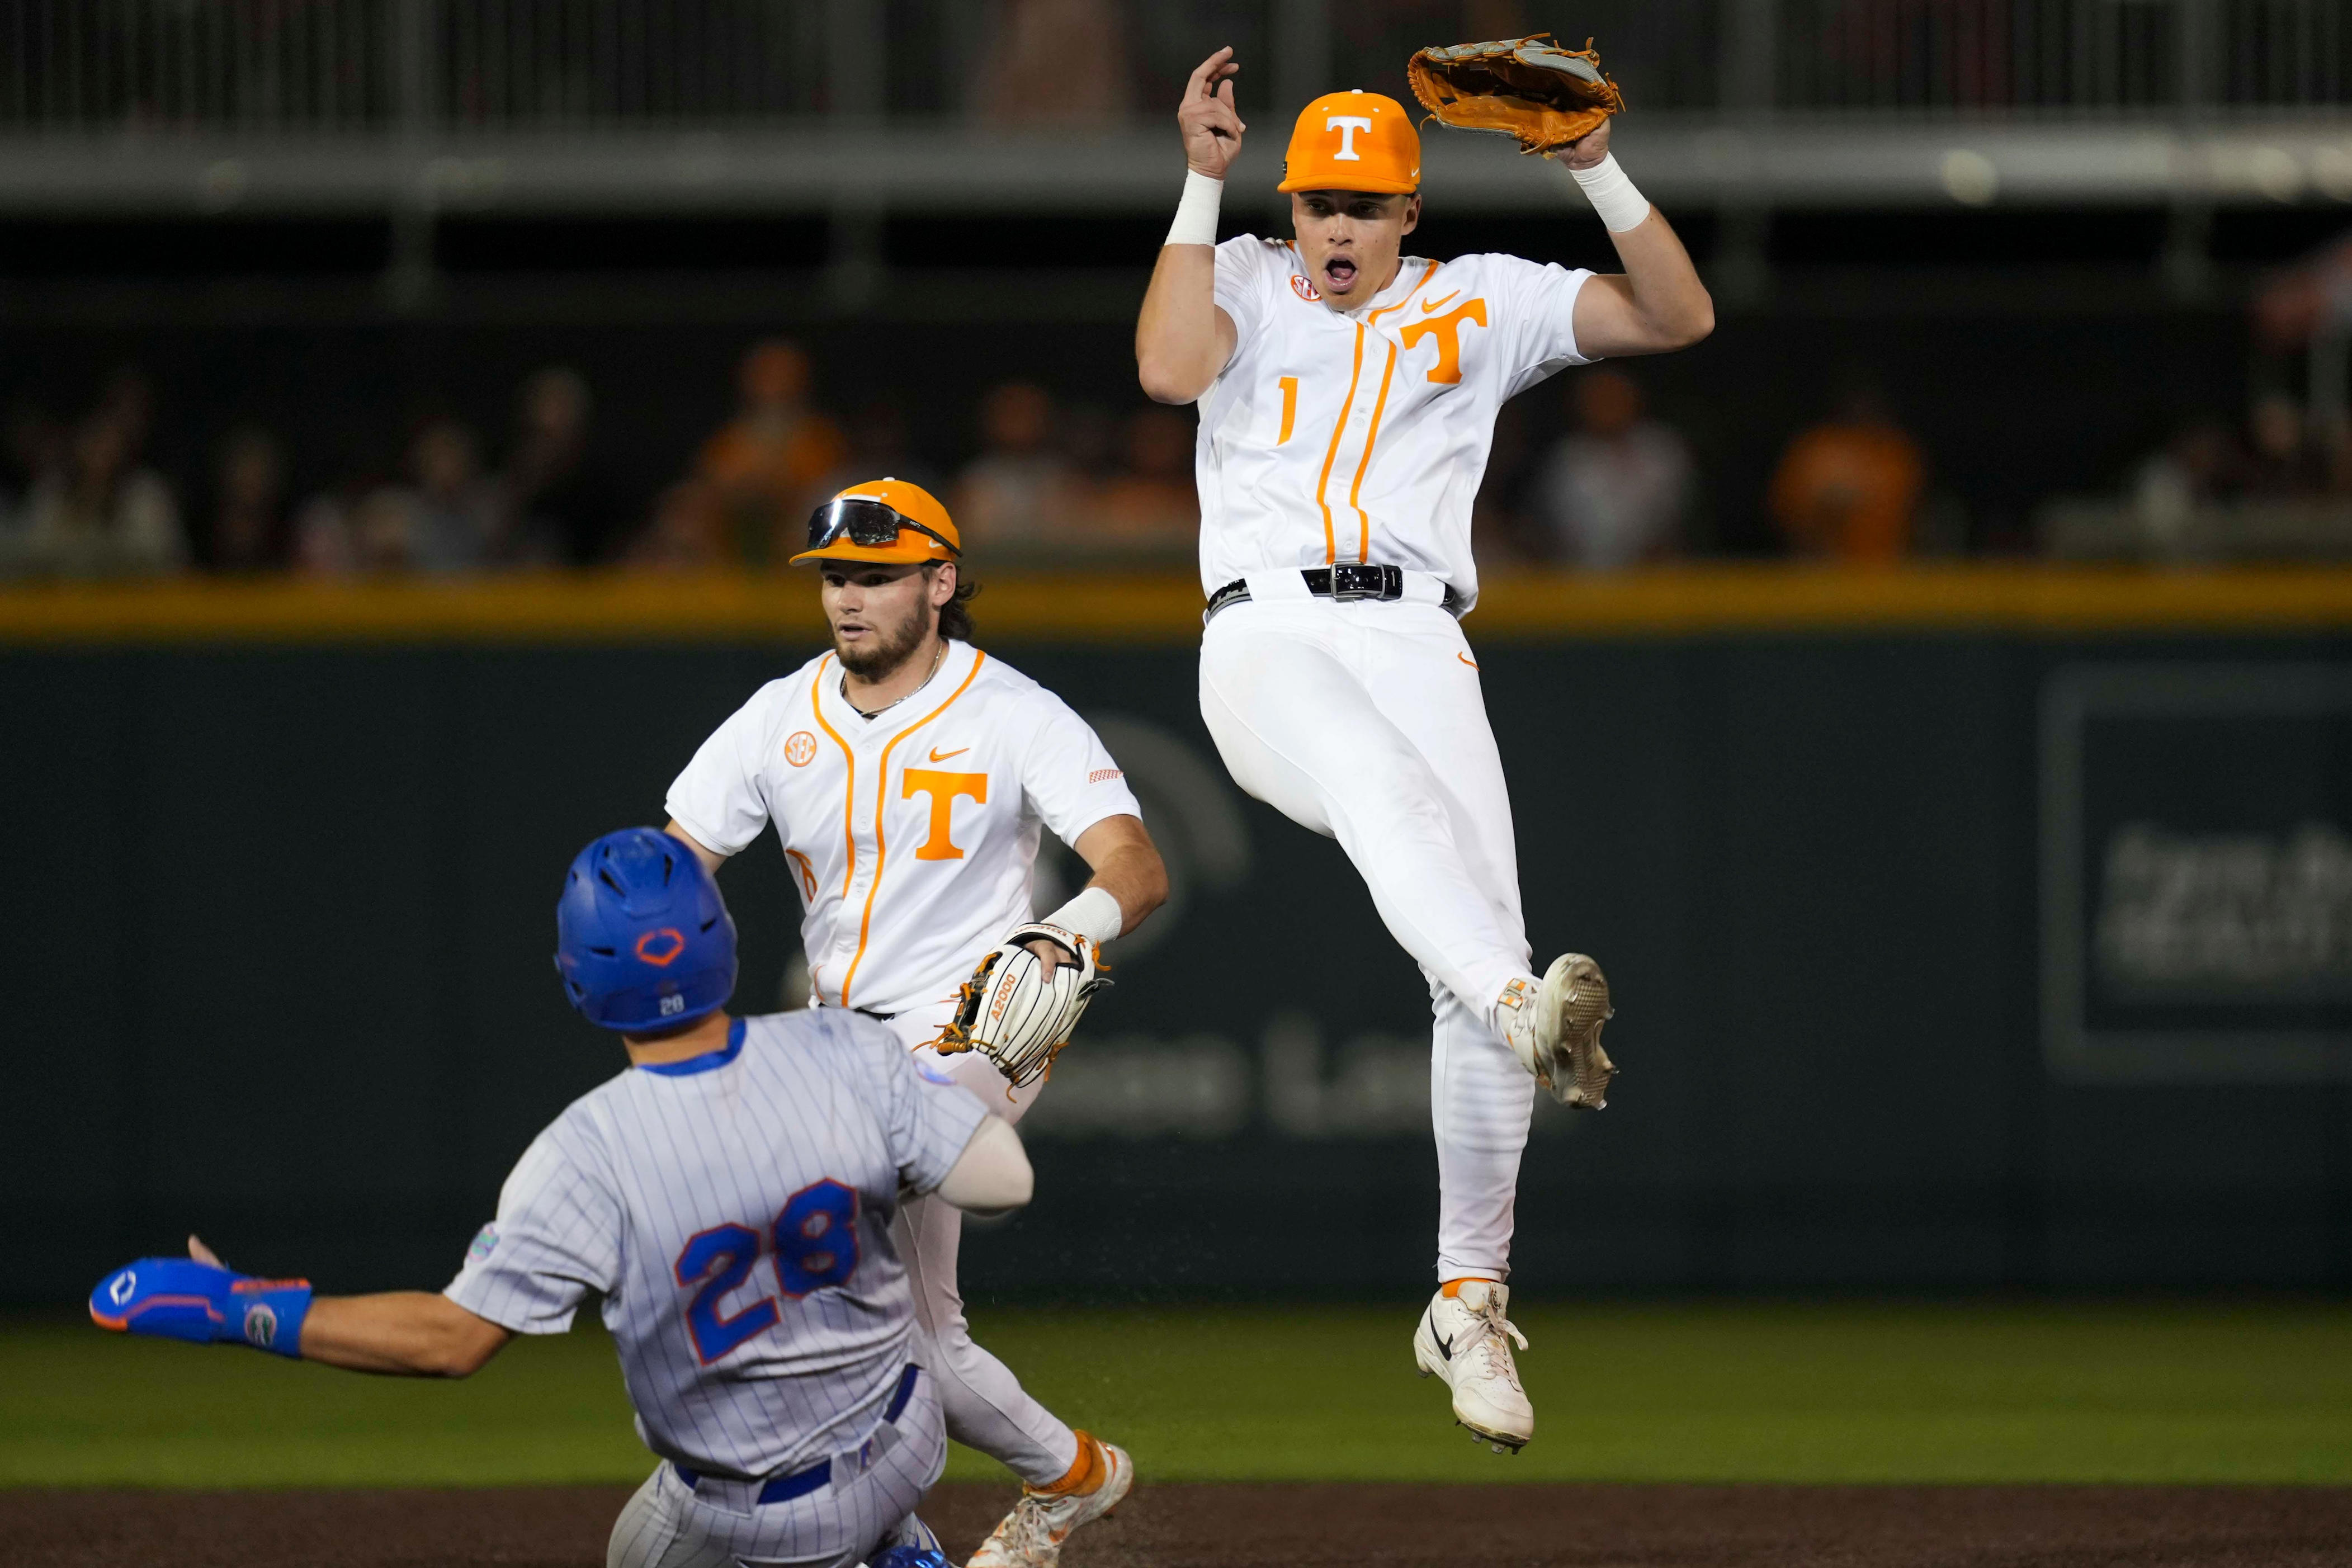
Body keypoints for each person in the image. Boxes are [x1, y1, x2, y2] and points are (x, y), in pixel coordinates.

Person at [1133, 48, 1715, 1454]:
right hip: (1264, 637)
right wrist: (1201, 184)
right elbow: (1163, 371)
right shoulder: (1242, 272)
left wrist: (1591, 164)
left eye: (1362, 203)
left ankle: (1465, 1299)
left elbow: (1676, 316)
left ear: (1409, 217)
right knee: (1413, 837)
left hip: (1420, 636)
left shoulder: (1483, 297)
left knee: (1468, 964)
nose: (1333, 225)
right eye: (1316, 197)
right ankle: (1523, 997)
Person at [88, 826, 1018, 1568]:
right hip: (908, 1442)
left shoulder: (585, 1150)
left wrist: (235, 1306)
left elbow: (451, 1342)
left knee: (640, 1547)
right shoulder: (847, 1049)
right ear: (724, 941)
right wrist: (961, 1082)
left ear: (578, 976)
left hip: (758, 1519)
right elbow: (997, 1180)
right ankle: (896, 1546)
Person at [661, 478, 1168, 1568]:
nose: (850, 599)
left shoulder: (1012, 710)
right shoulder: (778, 715)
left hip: (980, 1023)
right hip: (839, 1036)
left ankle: (876, 1518)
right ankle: (1069, 1477)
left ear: (939, 582)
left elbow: (1136, 864)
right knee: (922, 1343)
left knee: (822, 1263)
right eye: (837, 576)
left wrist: (1062, 931)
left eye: (878, 577)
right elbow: (672, 862)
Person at [696, 339, 848, 565]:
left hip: (799, 532)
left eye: (785, 374)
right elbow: (717, 485)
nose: (776, 383)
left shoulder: (821, 437)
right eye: (766, 373)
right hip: (732, 533)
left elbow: (825, 490)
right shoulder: (732, 438)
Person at [1529, 369, 1694, 568]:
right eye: (1598, 399)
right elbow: (1551, 529)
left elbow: (1677, 519)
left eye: (1615, 397)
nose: (1608, 406)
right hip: (1582, 578)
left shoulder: (1661, 450)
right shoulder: (1567, 458)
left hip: (1654, 576)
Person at [1767, 376, 1924, 561]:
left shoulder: (1896, 452)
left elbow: (1914, 512)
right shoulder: (1816, 449)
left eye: (1869, 402)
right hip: (1820, 570)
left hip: (1885, 569)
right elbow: (1784, 512)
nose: (1862, 408)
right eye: (1855, 401)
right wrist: (1822, 510)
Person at [953, 383, 1081, 552]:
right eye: (1011, 414)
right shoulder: (974, 480)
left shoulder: (1065, 476)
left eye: (1029, 413)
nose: (1020, 423)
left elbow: (1075, 535)